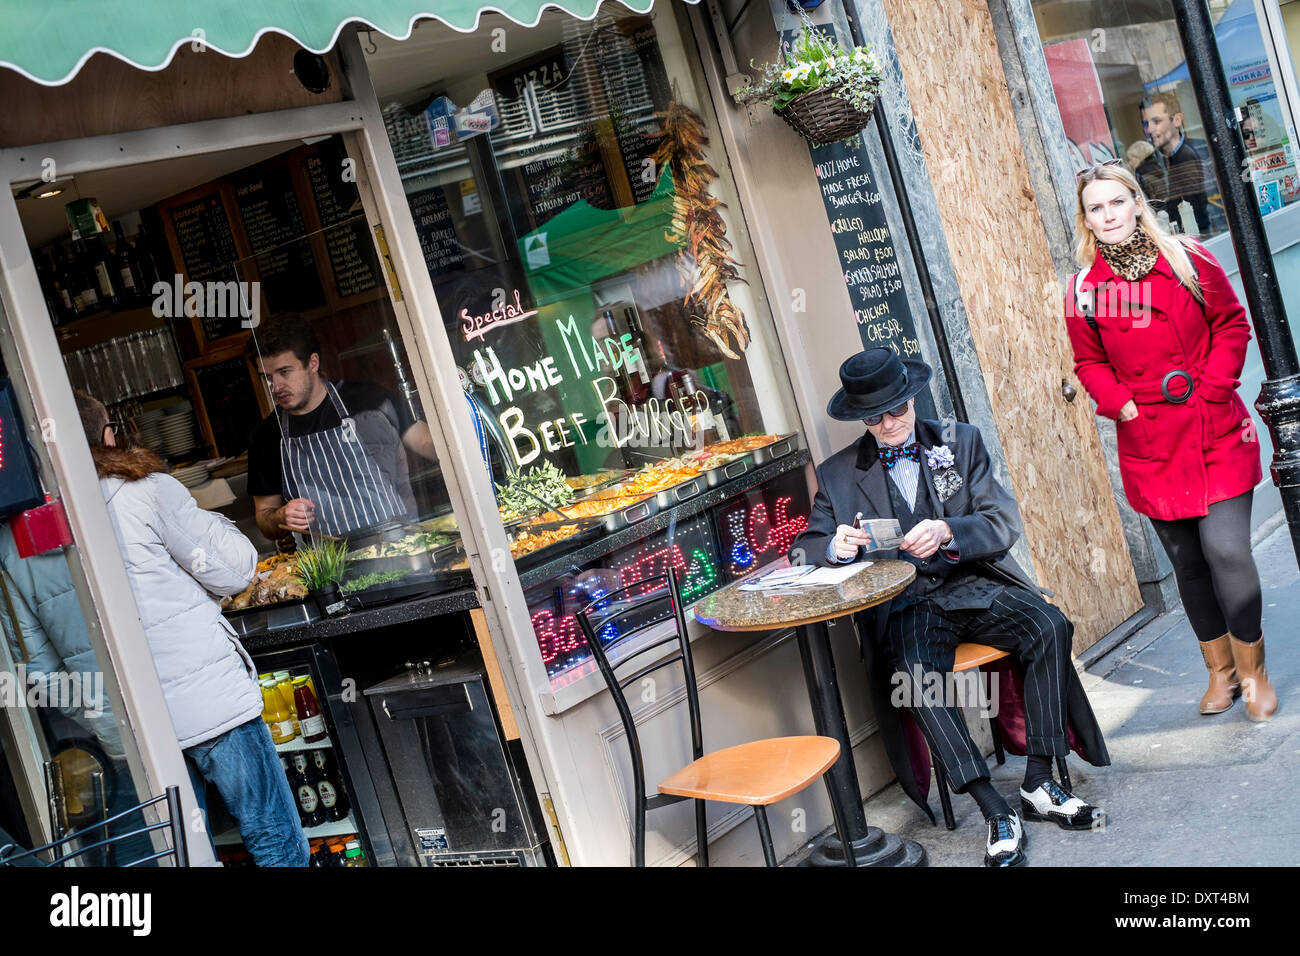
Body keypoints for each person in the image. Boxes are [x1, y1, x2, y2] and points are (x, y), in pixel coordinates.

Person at [791, 349, 1109, 867]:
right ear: (859, 418)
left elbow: (1001, 522)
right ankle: (992, 810)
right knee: (914, 677)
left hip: (972, 584)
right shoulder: (838, 474)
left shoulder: (961, 442)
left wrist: (948, 531)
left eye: (896, 409)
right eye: (874, 417)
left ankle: (1039, 782)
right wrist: (835, 547)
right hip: (908, 603)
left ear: (912, 398)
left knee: (1050, 625)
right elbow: (805, 547)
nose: (889, 424)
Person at [1065, 162, 1275, 721]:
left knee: (1227, 550)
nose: (1107, 215)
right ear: (1085, 220)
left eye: (1116, 202)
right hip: (1149, 440)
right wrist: (1120, 403)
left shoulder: (1188, 258)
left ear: (1136, 203)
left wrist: (1212, 390)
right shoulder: (1085, 289)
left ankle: (1254, 672)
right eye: (1095, 208)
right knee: (1188, 563)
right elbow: (1088, 361)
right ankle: (1220, 672)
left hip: (1212, 427)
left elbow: (1232, 323)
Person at [77, 391, 308, 865]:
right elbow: (234, 571)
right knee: (274, 839)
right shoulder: (145, 490)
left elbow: (36, 658)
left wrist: (97, 715)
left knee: (181, 856)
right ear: (107, 436)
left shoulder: (27, 532)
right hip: (210, 704)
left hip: (128, 729)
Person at [247, 315, 437, 541]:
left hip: (400, 546)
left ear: (313, 363)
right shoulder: (266, 437)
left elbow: (427, 443)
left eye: (284, 372)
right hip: (331, 569)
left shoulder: (369, 400)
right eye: (267, 377)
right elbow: (264, 518)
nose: (276, 387)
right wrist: (280, 516)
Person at [1134, 91, 1225, 235]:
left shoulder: (1205, 152)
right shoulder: (1146, 168)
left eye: (1156, 121)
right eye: (1146, 123)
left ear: (1177, 120)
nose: (1150, 129)